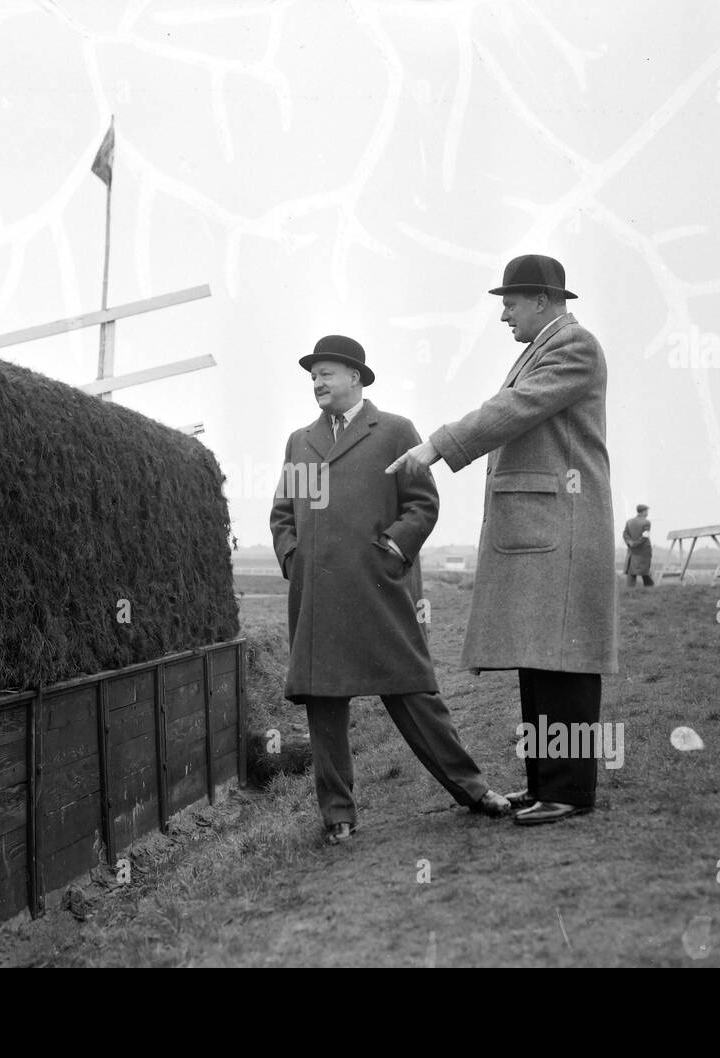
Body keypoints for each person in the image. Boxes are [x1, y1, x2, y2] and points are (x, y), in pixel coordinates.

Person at [386, 255, 618, 826]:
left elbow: (514, 408)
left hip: (561, 528)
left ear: (542, 299)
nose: (504, 316)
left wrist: (439, 444)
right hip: (543, 529)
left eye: (510, 304)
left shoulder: (575, 346)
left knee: (562, 664)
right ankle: (545, 785)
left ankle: (569, 792)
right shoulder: (546, 346)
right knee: (539, 660)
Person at [270, 334, 511, 845]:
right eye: (312, 375)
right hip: (318, 598)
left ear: (355, 377)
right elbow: (284, 514)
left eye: (326, 373)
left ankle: (472, 790)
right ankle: (338, 816)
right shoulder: (301, 441)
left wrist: (393, 551)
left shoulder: (395, 431)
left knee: (412, 692)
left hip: (379, 589)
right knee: (324, 704)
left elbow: (421, 504)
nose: (317, 382)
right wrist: (295, 558)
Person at [623, 504, 654, 587]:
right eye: (646, 511)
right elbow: (645, 536)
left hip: (632, 551)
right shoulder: (647, 522)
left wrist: (630, 542)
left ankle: (629, 589)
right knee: (645, 571)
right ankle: (649, 588)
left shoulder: (629, 521)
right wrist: (635, 543)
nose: (647, 513)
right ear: (643, 512)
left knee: (632, 571)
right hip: (644, 551)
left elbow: (625, 534)